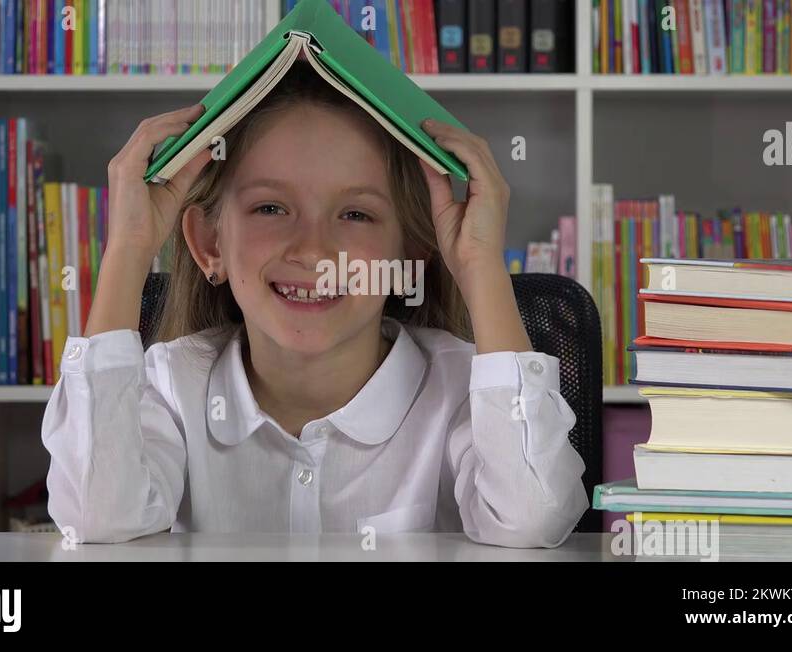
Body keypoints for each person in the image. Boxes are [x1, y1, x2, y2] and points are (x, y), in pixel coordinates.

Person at [40, 63, 588, 547]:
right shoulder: (170, 387)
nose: (313, 251)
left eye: (356, 215)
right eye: (272, 207)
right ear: (209, 244)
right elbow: (95, 517)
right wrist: (130, 246)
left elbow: (531, 520)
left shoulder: (461, 393)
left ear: (412, 252)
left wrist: (479, 265)